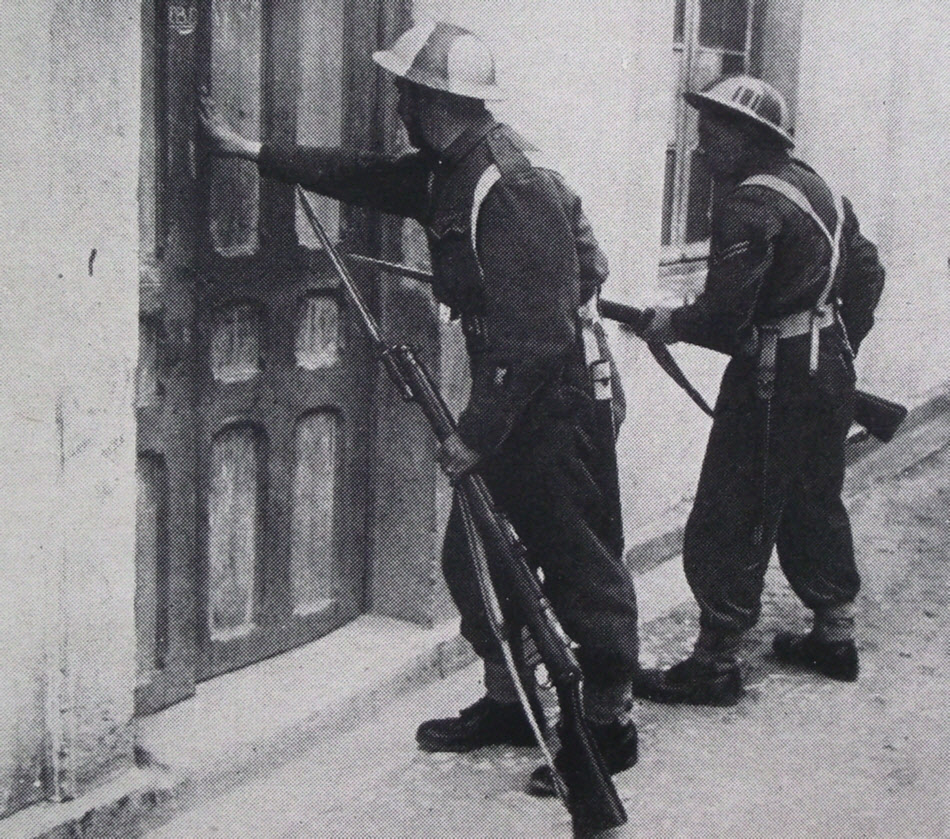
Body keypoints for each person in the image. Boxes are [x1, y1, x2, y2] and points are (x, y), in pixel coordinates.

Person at [200, 20, 640, 793]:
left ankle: (608, 724)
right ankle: (510, 701)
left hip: (556, 399)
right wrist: (252, 151)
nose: (397, 107)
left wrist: (476, 434)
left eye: (405, 93)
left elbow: (540, 336)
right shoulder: (451, 168)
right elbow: (366, 175)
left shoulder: (509, 184)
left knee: (579, 565)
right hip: (515, 389)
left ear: (435, 100)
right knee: (473, 561)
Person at [634, 75, 885, 706]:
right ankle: (835, 634)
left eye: (711, 134)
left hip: (775, 377)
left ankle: (715, 663)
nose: (700, 148)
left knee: (732, 508)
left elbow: (724, 319)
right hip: (827, 367)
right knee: (813, 498)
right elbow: (868, 273)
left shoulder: (747, 204)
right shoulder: (821, 189)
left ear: (747, 138)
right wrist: (833, 342)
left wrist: (671, 323)